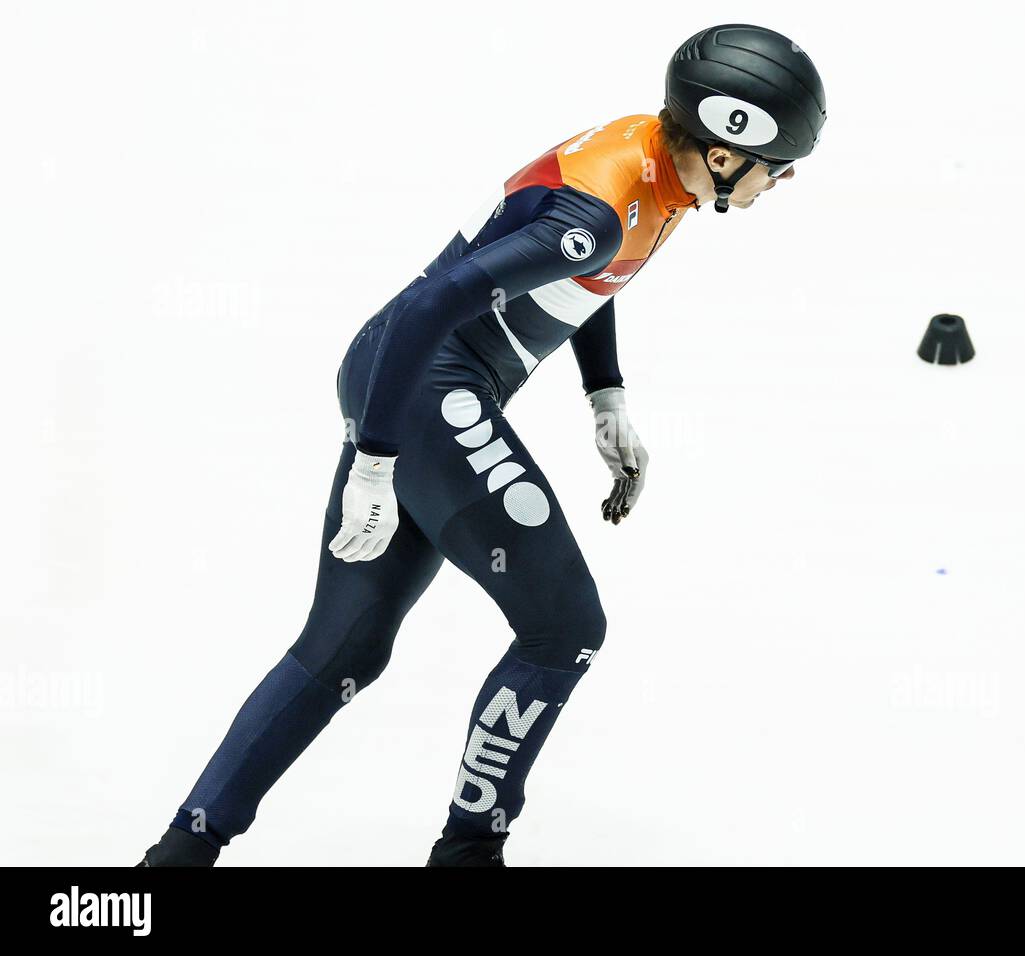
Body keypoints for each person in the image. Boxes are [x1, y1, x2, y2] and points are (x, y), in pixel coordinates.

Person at [139, 23, 826, 866]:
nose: (782, 180)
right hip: (424, 386)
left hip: (407, 380)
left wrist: (603, 393)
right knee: (565, 626)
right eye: (778, 164)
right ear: (723, 154)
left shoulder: (653, 159)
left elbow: (588, 272)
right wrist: (376, 460)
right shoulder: (601, 213)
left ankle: (176, 858)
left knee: (345, 645)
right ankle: (468, 853)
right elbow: (434, 305)